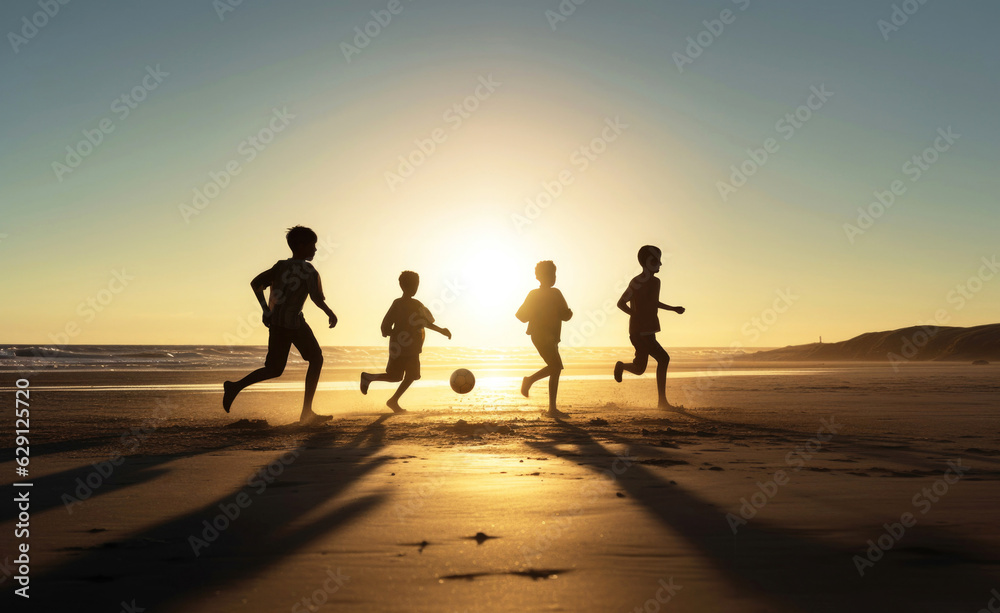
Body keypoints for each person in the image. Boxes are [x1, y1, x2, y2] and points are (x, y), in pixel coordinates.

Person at [222, 226, 337, 424]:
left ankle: (235, 387)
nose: (315, 249)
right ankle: (306, 412)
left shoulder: (281, 266)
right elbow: (317, 298)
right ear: (301, 246)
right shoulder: (309, 270)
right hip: (294, 324)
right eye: (312, 245)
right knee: (316, 359)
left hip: (278, 323)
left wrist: (265, 310)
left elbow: (256, 283)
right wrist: (330, 313)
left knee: (274, 369)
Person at [360, 271, 451, 413]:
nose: (415, 288)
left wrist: (389, 332)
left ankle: (373, 381)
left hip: (404, 346)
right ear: (402, 286)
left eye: (416, 285)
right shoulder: (409, 304)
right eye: (413, 285)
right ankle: (389, 397)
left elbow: (386, 326)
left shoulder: (406, 304)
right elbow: (388, 324)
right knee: (408, 375)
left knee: (398, 376)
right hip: (406, 347)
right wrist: (441, 330)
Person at [613, 245, 685, 409]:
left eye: (659, 260)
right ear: (646, 262)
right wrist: (635, 315)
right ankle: (662, 402)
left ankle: (622, 366)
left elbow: (653, 302)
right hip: (639, 332)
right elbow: (621, 303)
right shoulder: (636, 282)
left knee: (640, 369)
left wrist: (673, 309)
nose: (660, 264)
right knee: (663, 358)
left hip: (648, 331)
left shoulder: (655, 282)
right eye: (655, 260)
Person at [516, 260, 573, 417]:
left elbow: (521, 316)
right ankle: (529, 381)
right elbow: (565, 315)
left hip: (545, 337)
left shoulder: (536, 294)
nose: (554, 278)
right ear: (541, 276)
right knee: (556, 367)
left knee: (555, 368)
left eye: (554, 274)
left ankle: (552, 408)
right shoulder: (553, 293)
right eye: (552, 275)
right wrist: (567, 313)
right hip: (544, 336)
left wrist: (535, 313)